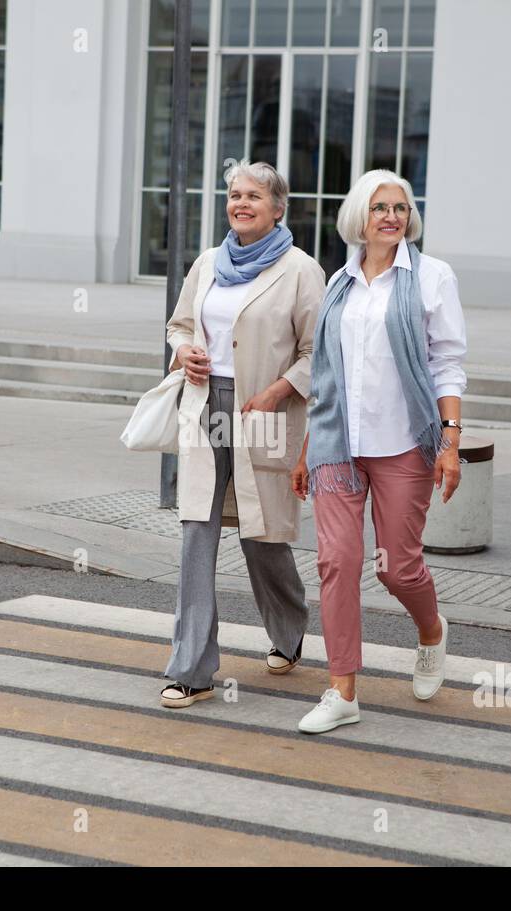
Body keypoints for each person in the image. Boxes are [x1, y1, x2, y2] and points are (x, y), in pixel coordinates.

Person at [290, 169, 468, 733]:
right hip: (338, 445)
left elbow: (447, 362)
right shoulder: (339, 281)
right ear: (359, 218)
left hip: (403, 443)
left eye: (400, 207)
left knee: (398, 567)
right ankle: (342, 689)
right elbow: (326, 373)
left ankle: (431, 628)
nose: (392, 216)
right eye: (379, 207)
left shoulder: (433, 278)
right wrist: (306, 448)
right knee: (336, 563)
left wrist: (450, 440)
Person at [160, 160, 326, 707]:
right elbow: (180, 324)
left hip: (266, 413)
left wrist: (281, 390)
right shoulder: (208, 263)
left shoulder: (302, 271)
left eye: (254, 196)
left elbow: (318, 354)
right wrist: (184, 350)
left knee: (261, 535)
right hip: (206, 406)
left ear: (278, 208)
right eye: (234, 195)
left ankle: (289, 624)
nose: (241, 203)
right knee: (196, 531)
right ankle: (191, 668)